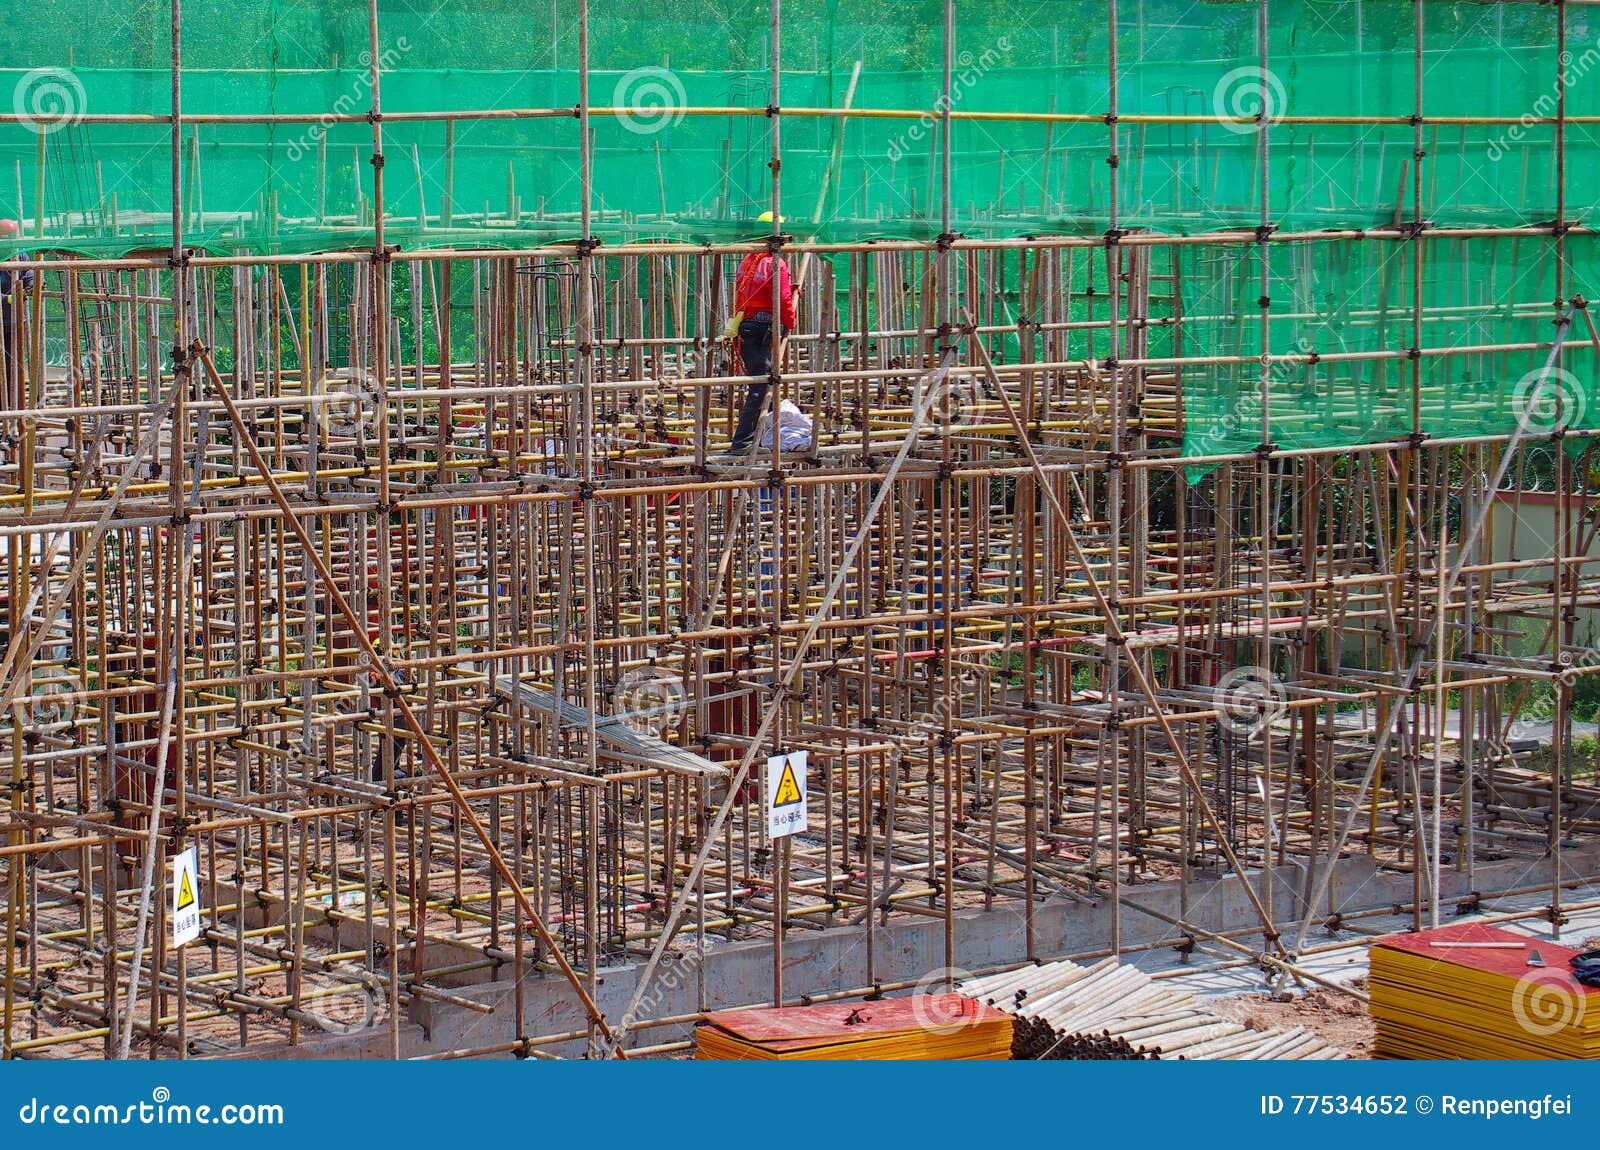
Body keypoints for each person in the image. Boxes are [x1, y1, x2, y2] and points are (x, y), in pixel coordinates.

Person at [726, 211, 798, 454]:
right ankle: (743, 442)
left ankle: (760, 437)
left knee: (763, 383)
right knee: (762, 386)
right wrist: (790, 321)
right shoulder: (775, 263)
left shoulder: (748, 260)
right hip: (763, 327)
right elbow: (782, 297)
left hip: (747, 325)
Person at [0, 219, 34, 403]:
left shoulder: (21, 256)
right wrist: (8, 299)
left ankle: (14, 406)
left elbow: (29, 276)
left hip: (16, 321)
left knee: (15, 365)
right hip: (1, 319)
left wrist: (31, 287)